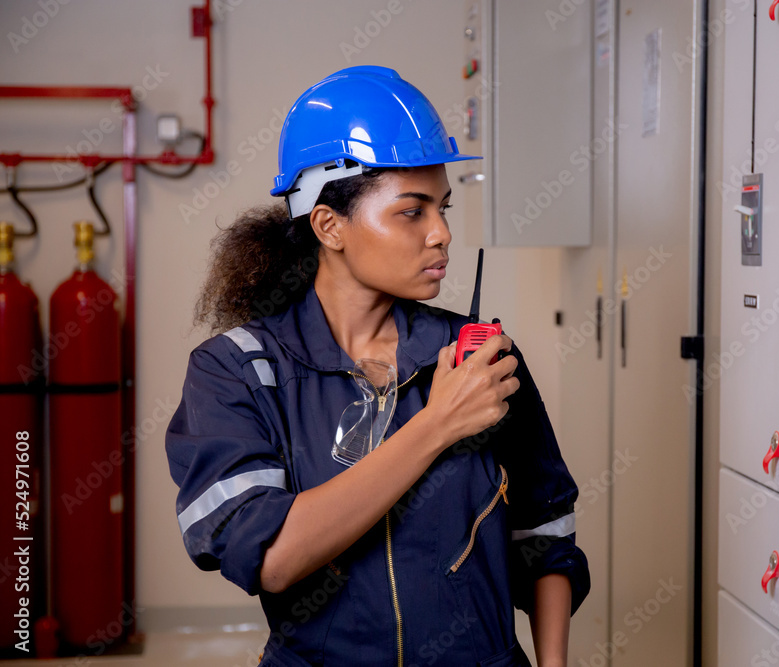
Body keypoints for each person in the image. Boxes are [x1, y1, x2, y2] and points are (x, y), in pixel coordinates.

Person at [165, 66, 589, 667]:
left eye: (442, 208)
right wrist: (437, 423)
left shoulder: (477, 359)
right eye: (411, 212)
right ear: (329, 225)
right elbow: (273, 558)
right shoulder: (237, 372)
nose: (441, 233)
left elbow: (546, 536)